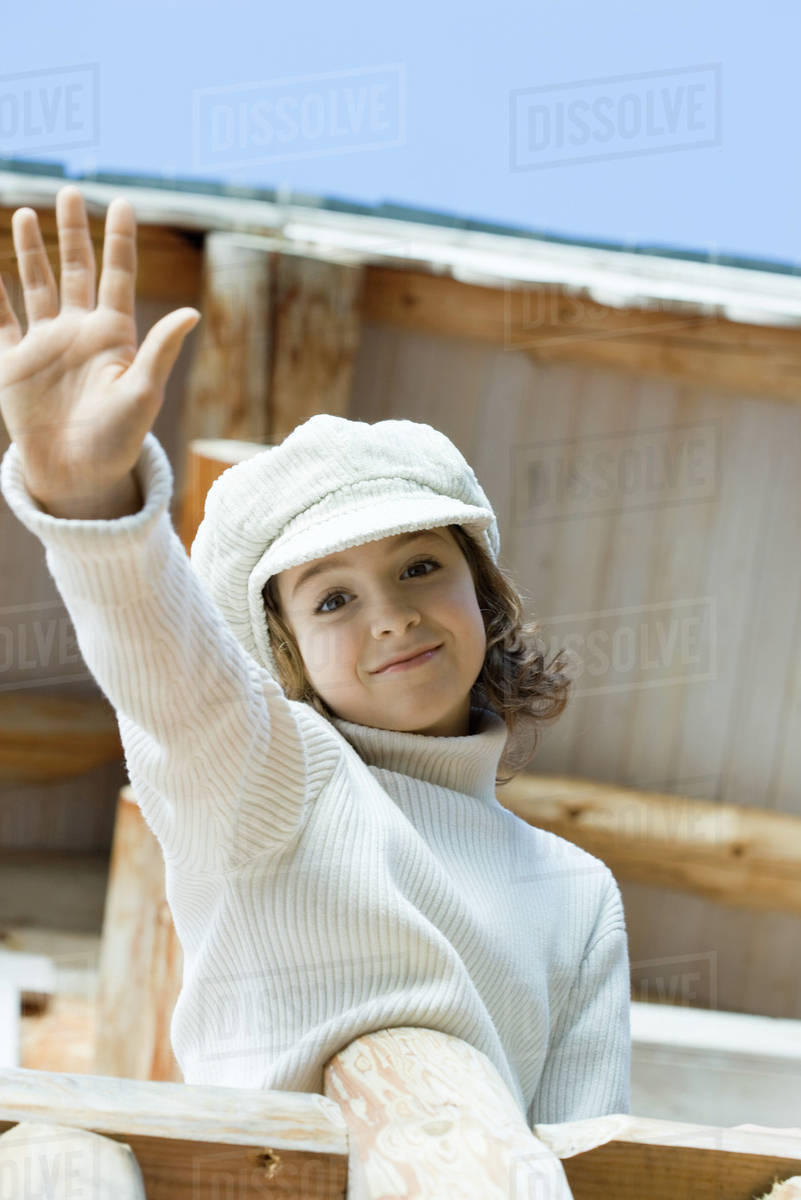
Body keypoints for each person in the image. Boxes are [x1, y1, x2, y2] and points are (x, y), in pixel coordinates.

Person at [0, 185, 631, 1125]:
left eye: (420, 565)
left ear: (483, 590)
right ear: (280, 651)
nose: (392, 617)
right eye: (332, 598)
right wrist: (90, 502)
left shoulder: (577, 892)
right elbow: (174, 678)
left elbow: (586, 1149)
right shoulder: (271, 776)